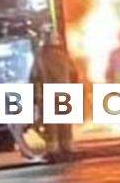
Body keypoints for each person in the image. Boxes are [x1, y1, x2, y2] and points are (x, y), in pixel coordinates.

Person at [31, 31, 78, 163]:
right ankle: (68, 148)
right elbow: (74, 73)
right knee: (65, 123)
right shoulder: (64, 56)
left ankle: (53, 151)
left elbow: (35, 76)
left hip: (48, 93)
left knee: (51, 126)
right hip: (65, 92)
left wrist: (35, 96)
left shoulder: (41, 57)